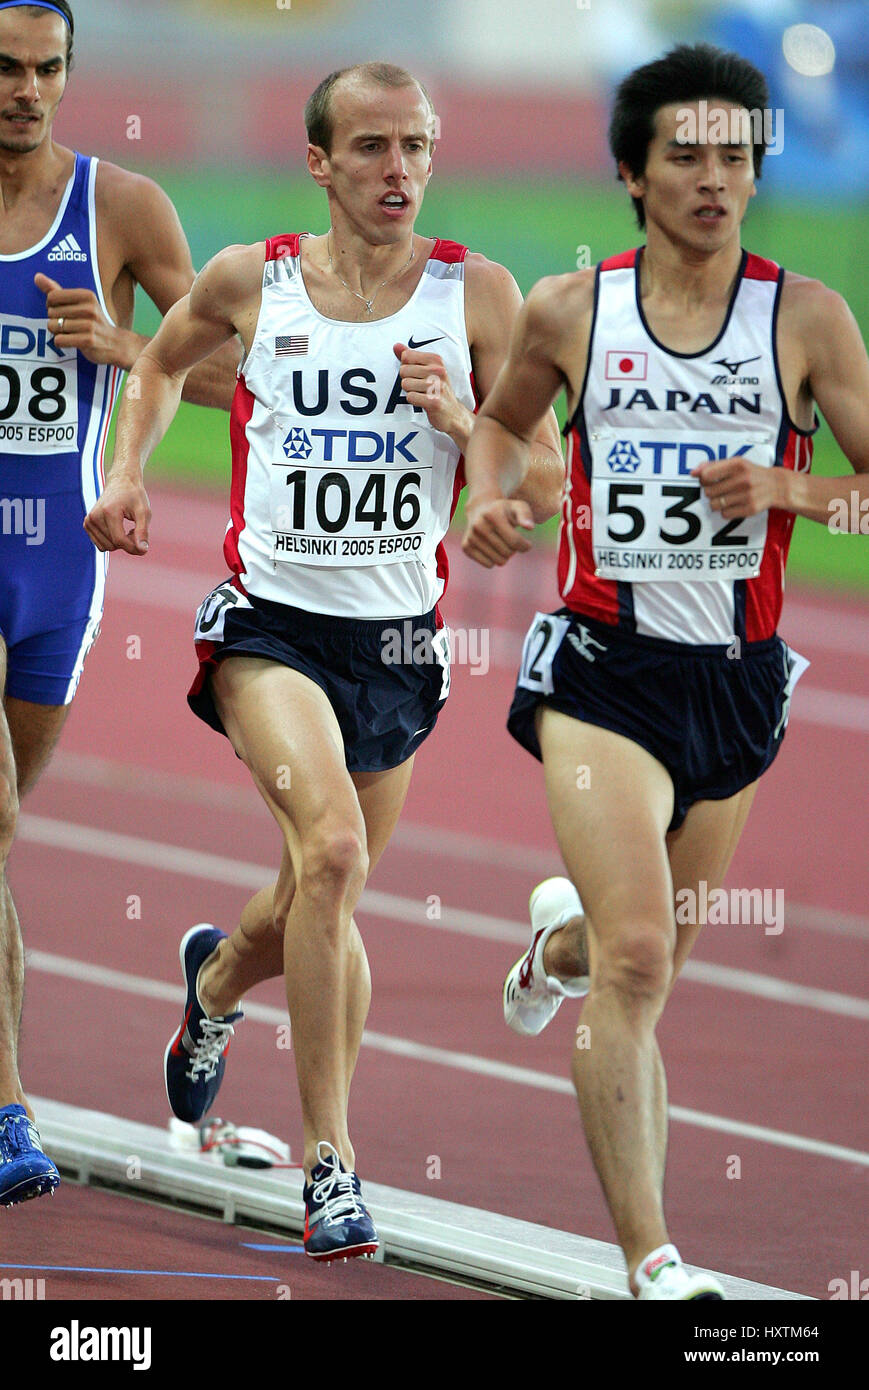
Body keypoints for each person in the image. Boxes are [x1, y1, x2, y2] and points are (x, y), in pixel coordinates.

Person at [84, 61, 564, 1262]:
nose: (398, 170)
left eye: (416, 147)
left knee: (309, 896)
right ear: (320, 163)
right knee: (336, 853)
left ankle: (210, 987)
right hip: (269, 629)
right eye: (371, 149)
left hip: (396, 649)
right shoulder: (257, 280)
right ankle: (332, 1166)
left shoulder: (479, 297)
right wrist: (126, 473)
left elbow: (544, 479)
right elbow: (152, 364)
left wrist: (468, 432)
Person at [461, 42, 868, 1300]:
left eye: (735, 156)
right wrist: (488, 499)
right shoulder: (570, 311)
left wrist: (792, 486)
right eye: (684, 155)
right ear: (630, 174)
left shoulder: (804, 317)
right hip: (601, 672)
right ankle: (651, 1259)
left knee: (633, 956)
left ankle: (550, 953)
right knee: (641, 965)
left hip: (735, 686)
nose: (713, 178)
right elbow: (495, 420)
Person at [0, 0, 237, 1207]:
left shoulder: (124, 208)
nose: (25, 91)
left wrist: (121, 351)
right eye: (4, 69)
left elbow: (233, 377)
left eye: (47, 71)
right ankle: (6, 1112)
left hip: (58, 570)